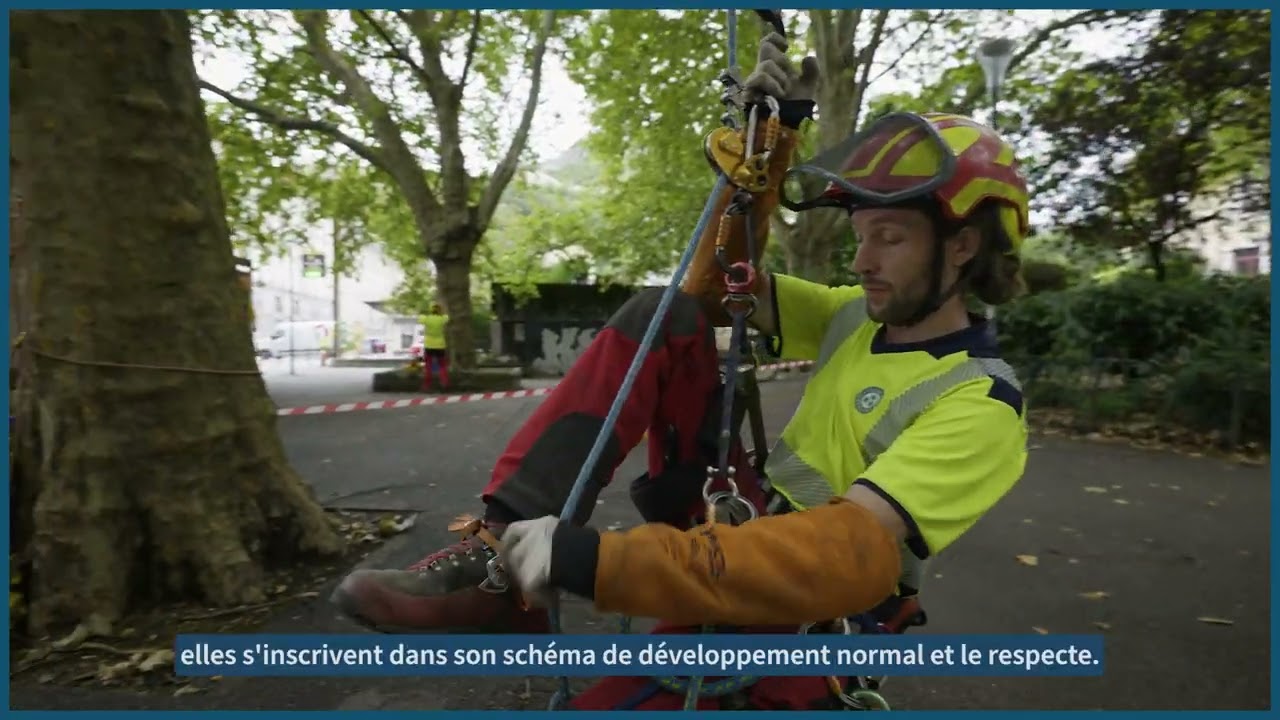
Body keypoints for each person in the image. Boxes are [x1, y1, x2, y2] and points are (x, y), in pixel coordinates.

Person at [333, 33, 1031, 711]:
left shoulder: (979, 402)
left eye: (890, 237)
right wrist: (770, 144)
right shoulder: (860, 315)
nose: (861, 261)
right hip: (745, 519)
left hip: (810, 604)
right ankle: (495, 564)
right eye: (860, 237)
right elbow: (718, 285)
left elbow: (848, 555)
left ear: (964, 244)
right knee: (664, 315)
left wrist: (600, 563)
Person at [418, 302, 449, 392]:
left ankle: (427, 386)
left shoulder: (426, 319)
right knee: (442, 366)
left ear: (431, 310)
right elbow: (446, 317)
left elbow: (420, 317)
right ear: (439, 310)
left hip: (429, 345)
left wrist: (424, 311)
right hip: (440, 345)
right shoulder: (442, 319)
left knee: (428, 366)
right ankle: (444, 383)